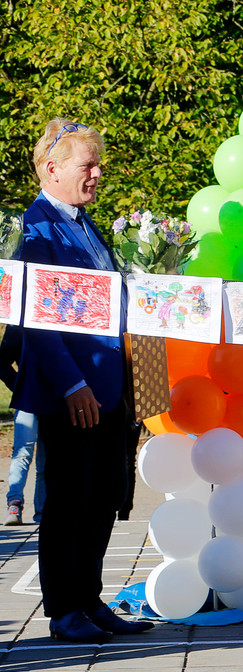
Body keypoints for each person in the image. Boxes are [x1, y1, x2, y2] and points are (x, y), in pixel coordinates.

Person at [16, 118, 151, 641]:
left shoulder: (83, 222)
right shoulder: (36, 228)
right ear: (52, 169)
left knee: (105, 495)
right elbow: (37, 318)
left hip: (111, 386)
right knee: (70, 501)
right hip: (73, 390)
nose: (96, 174)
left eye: (98, 165)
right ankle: (64, 611)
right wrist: (72, 384)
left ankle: (90, 601)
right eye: (87, 165)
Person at [0, 326, 44, 526]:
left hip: (55, 399)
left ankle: (42, 511)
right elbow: (2, 362)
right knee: (22, 452)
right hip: (27, 400)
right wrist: (19, 387)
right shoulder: (18, 325)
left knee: (45, 457)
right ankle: (14, 503)